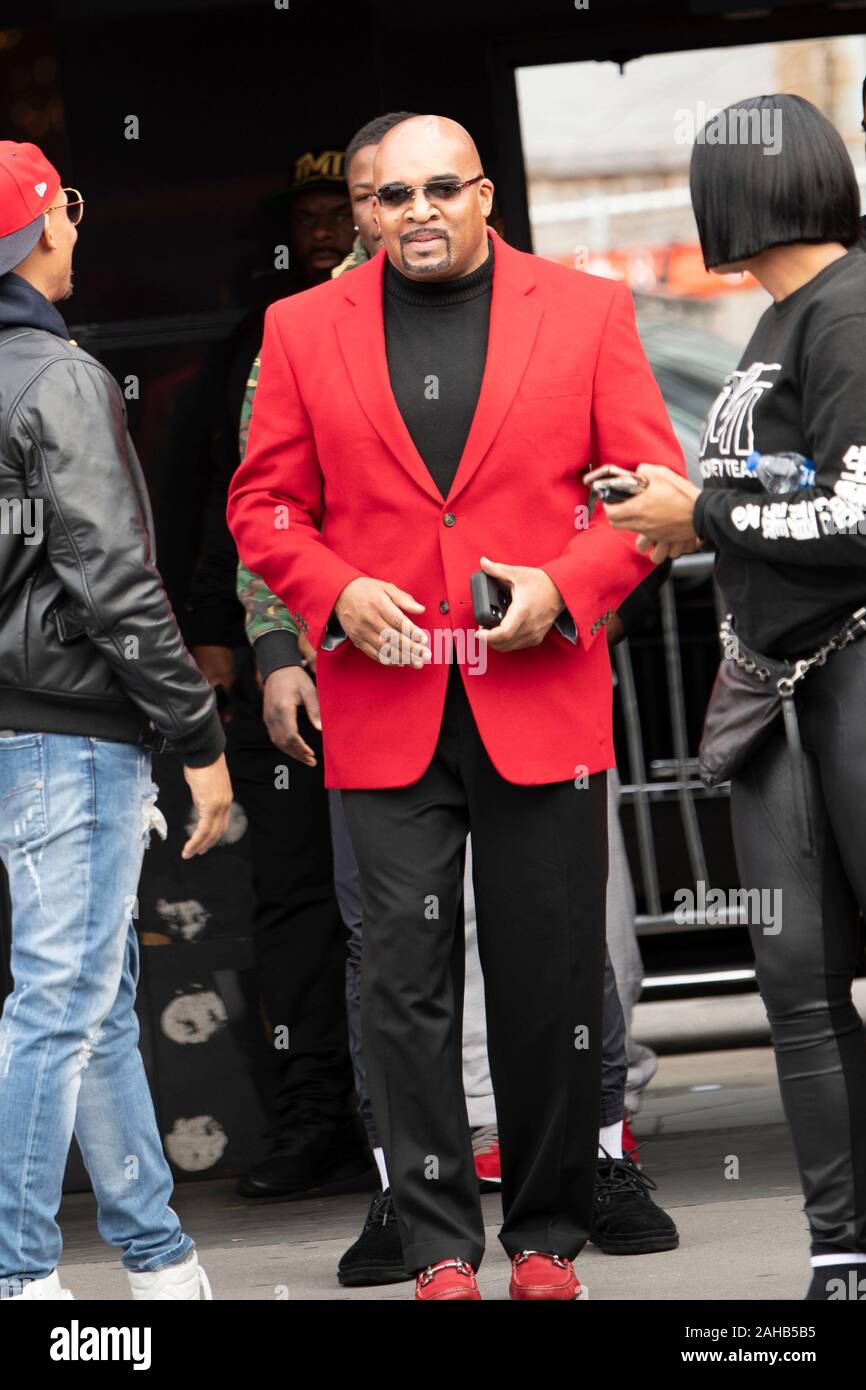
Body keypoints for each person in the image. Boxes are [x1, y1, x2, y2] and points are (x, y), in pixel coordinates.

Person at [228, 113, 685, 1300]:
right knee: (402, 981)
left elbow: (641, 499)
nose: (414, 211)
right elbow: (265, 507)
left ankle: (544, 1235)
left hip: (537, 693)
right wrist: (331, 594)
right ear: (362, 213)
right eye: (386, 196)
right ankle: (435, 1243)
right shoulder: (298, 328)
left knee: (548, 978)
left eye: (440, 188)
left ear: (485, 195)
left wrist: (559, 586)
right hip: (384, 708)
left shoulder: (583, 311)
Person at [605, 93, 866, 1301]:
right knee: (796, 989)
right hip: (777, 698)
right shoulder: (775, 322)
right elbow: (788, 475)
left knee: (811, 990)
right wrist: (680, 492)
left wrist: (693, 513)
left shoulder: (847, 308)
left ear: (739, 191)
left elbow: (857, 513)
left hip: (845, 677)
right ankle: (842, 1256)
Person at [0, 141, 233, 1300]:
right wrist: (197, 738)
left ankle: (158, 1259)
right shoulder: (55, 376)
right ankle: (21, 1276)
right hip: (65, 729)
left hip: (17, 731)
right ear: (43, 228)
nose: (79, 228)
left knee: (86, 1003)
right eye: (70, 208)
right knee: (59, 1004)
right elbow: (114, 580)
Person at [184, 148, 372, 1205]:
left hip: (411, 654)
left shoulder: (432, 317)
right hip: (288, 648)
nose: (322, 229)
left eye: (333, 208)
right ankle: (317, 1113)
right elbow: (236, 494)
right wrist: (227, 627)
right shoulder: (261, 339)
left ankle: (465, 1122)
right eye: (308, 211)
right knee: (299, 895)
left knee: (418, 906)